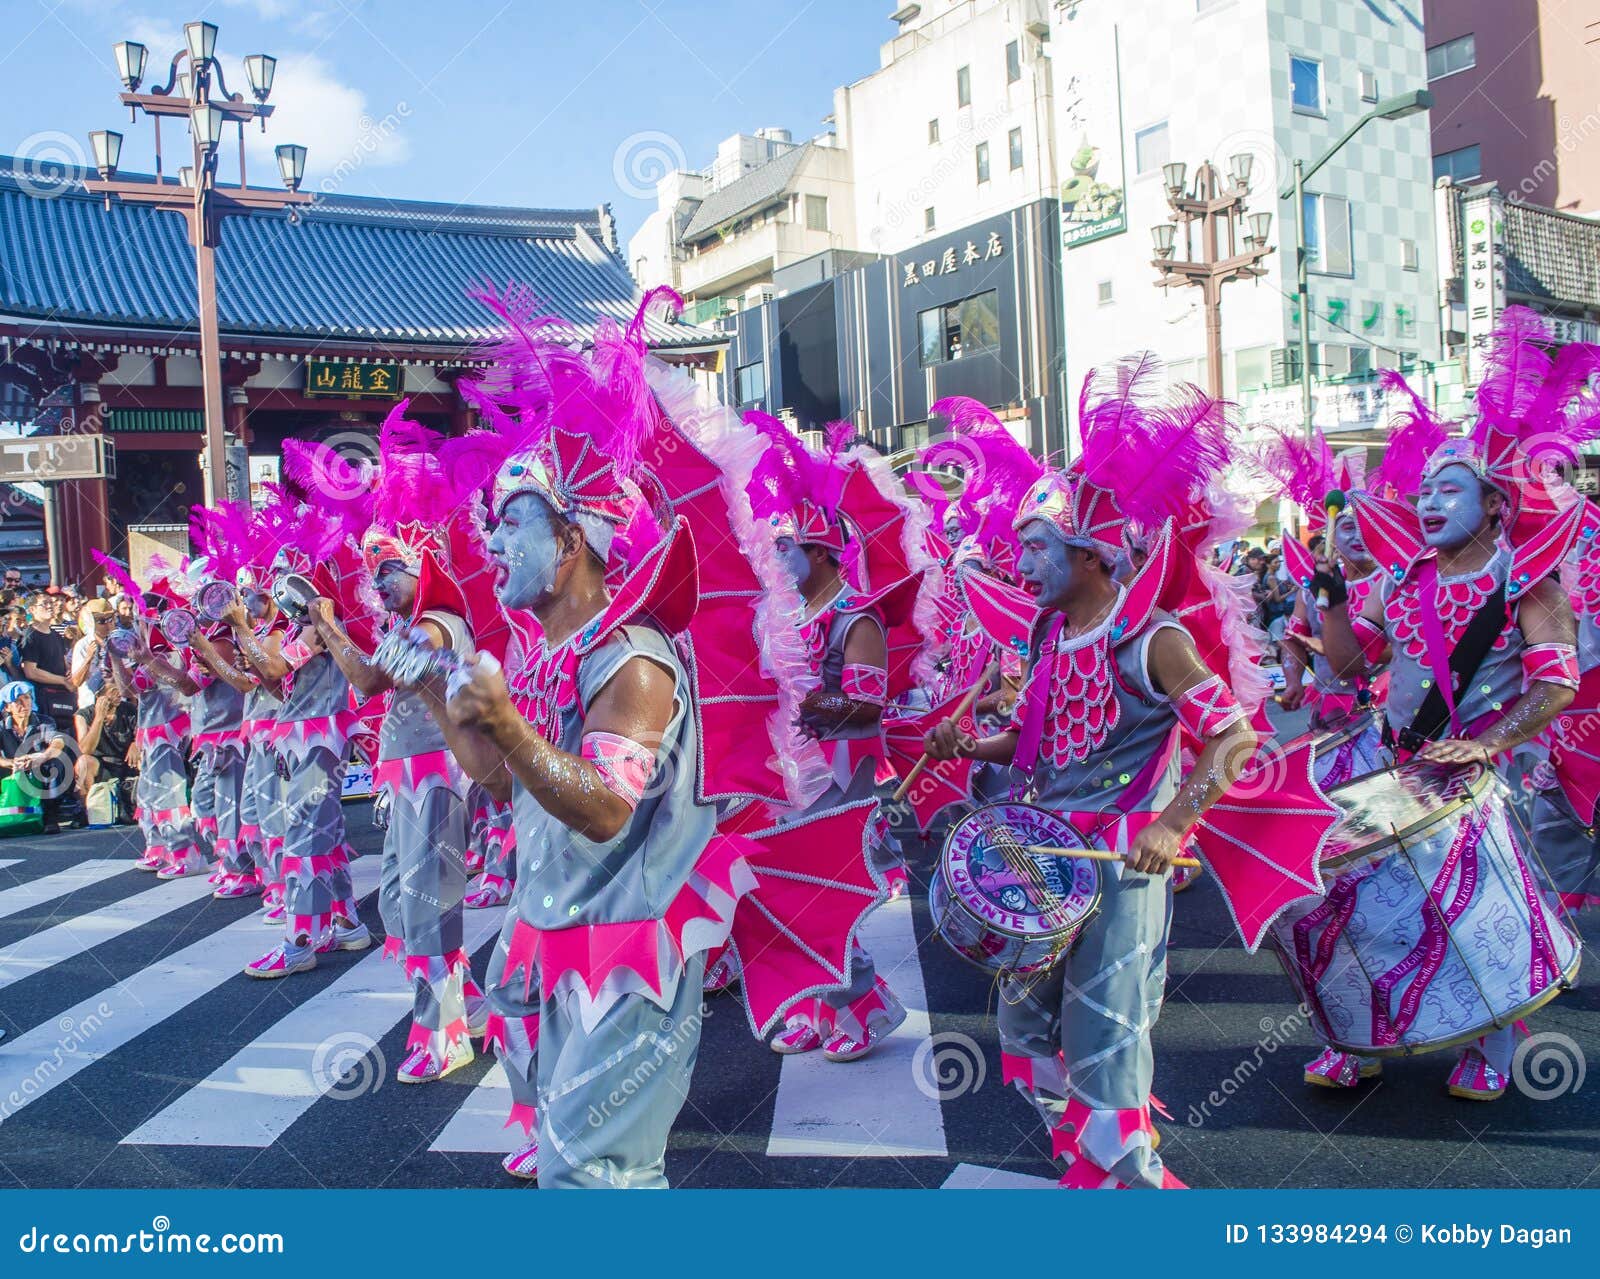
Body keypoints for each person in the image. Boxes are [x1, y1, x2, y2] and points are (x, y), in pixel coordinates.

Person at [923, 370, 1259, 1190]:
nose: (1021, 559)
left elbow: (1235, 737)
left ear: (1091, 553)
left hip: (1121, 869)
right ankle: (1086, 1155)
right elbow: (1039, 745)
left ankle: (1129, 1179)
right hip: (1045, 862)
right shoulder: (1043, 637)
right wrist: (971, 744)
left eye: (1037, 546)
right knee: (1024, 1023)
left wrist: (1174, 822)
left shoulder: (1154, 640)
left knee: (1106, 1036)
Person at [1316, 310, 1584, 1100]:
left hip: (1481, 778)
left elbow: (1559, 682)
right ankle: (1356, 1037)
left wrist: (1488, 743)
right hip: (1394, 766)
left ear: (1497, 503)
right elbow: (1348, 665)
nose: (1429, 502)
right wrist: (1330, 599)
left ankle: (1492, 1047)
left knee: (1477, 915)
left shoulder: (1525, 578)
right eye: (1425, 489)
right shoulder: (1401, 580)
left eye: (1450, 489)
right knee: (1362, 905)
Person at [307, 417, 497, 1082]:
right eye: (373, 569)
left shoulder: (439, 625)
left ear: (426, 568)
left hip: (439, 774)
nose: (379, 580)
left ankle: (443, 1030)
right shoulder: (406, 623)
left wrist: (327, 627)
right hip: (405, 776)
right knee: (398, 899)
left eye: (392, 568)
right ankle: (466, 1003)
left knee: (424, 900)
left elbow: (365, 679)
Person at [0, 681, 75, 832]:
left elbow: (57, 742)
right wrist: (11, 763)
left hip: (38, 769)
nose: (24, 704)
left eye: (27, 698)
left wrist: (40, 757)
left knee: (56, 761)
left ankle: (50, 816)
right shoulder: (2, 727)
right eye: (18, 701)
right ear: (7, 707)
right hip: (12, 770)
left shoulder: (44, 722)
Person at [75, 683, 139, 824]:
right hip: (103, 767)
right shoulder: (84, 715)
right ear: (99, 696)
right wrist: (99, 717)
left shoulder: (129, 709)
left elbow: (143, 733)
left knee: (144, 754)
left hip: (127, 764)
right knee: (84, 762)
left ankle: (140, 808)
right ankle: (87, 812)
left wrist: (136, 743)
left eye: (119, 690)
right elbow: (85, 750)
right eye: (112, 691)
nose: (118, 694)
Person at [20, 593, 78, 728]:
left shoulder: (56, 635)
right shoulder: (30, 636)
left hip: (64, 696)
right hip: (43, 699)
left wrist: (68, 672)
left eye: (50, 603)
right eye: (44, 604)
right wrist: (62, 680)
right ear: (32, 609)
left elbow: (62, 662)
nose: (50, 606)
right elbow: (31, 671)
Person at [70, 600, 114, 710]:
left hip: (115, 705)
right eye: (102, 621)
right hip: (90, 705)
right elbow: (76, 681)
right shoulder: (83, 645)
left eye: (110, 619)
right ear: (90, 622)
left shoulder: (118, 641)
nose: (108, 624)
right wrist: (88, 658)